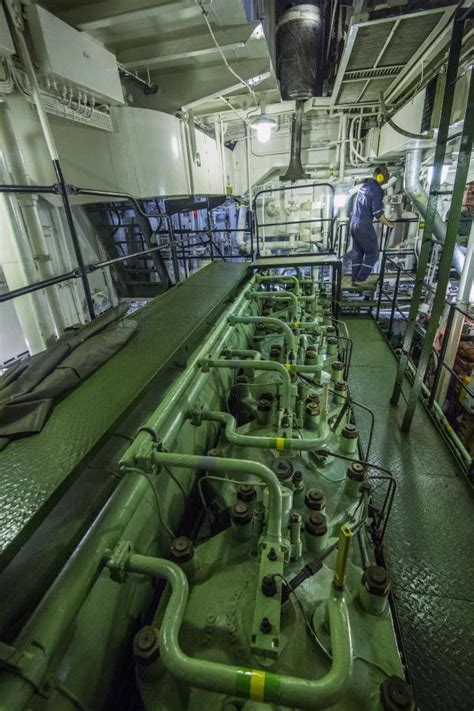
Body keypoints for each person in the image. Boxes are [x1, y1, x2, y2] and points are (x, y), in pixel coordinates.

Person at [350, 165, 395, 284]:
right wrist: (388, 224)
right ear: (380, 177)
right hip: (364, 224)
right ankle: (360, 279)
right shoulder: (376, 189)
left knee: (358, 253)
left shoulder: (365, 186)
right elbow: (378, 213)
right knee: (373, 253)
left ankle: (355, 278)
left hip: (354, 223)